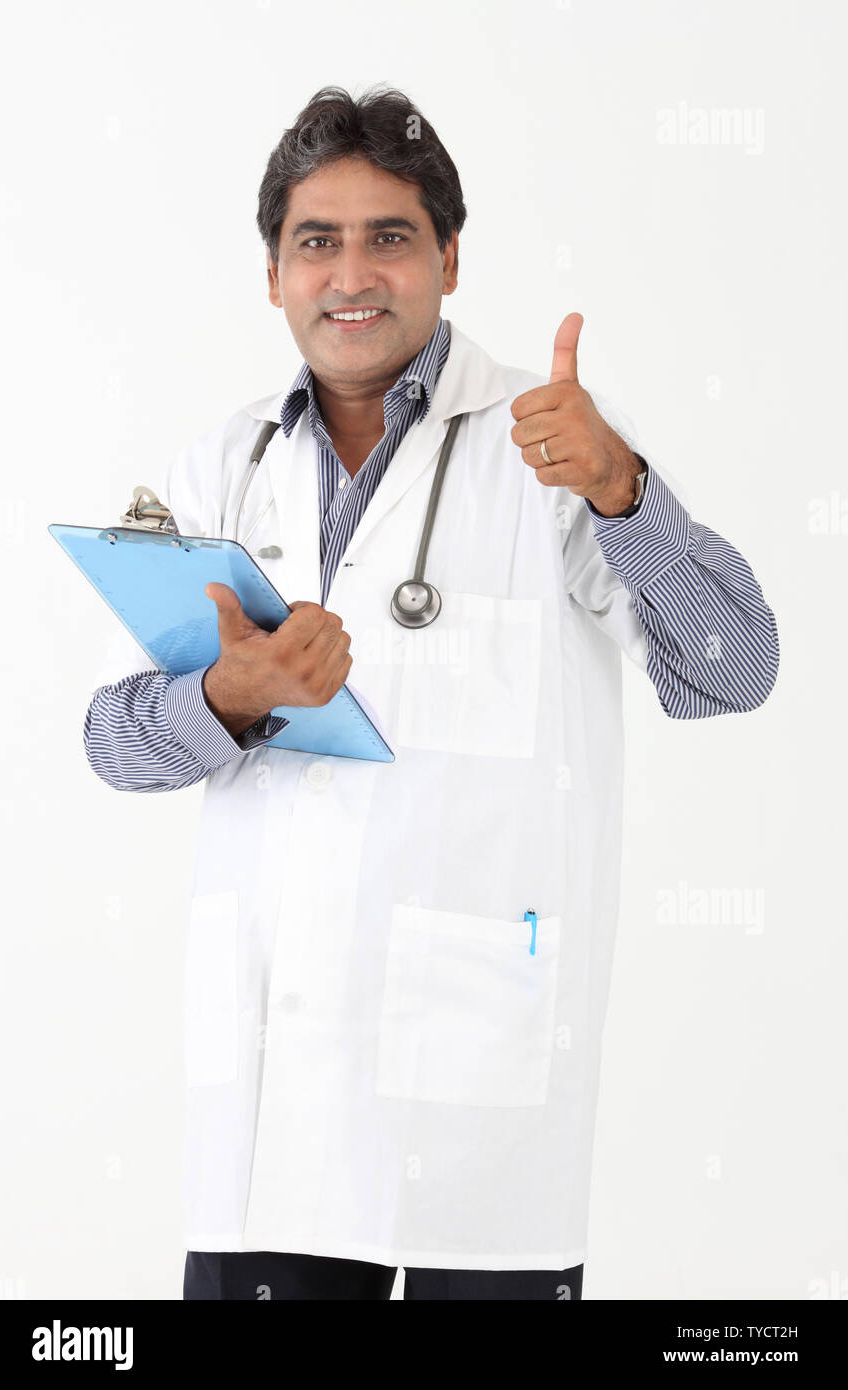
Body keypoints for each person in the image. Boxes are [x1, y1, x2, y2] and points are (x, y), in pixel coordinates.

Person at [84, 85, 780, 1301]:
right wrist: (228, 699)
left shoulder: (552, 444)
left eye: (389, 237)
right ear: (273, 276)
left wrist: (624, 493)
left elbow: (732, 670)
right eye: (317, 241)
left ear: (448, 257)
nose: (352, 273)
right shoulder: (219, 468)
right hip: (267, 1112)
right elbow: (110, 743)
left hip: (481, 1119)